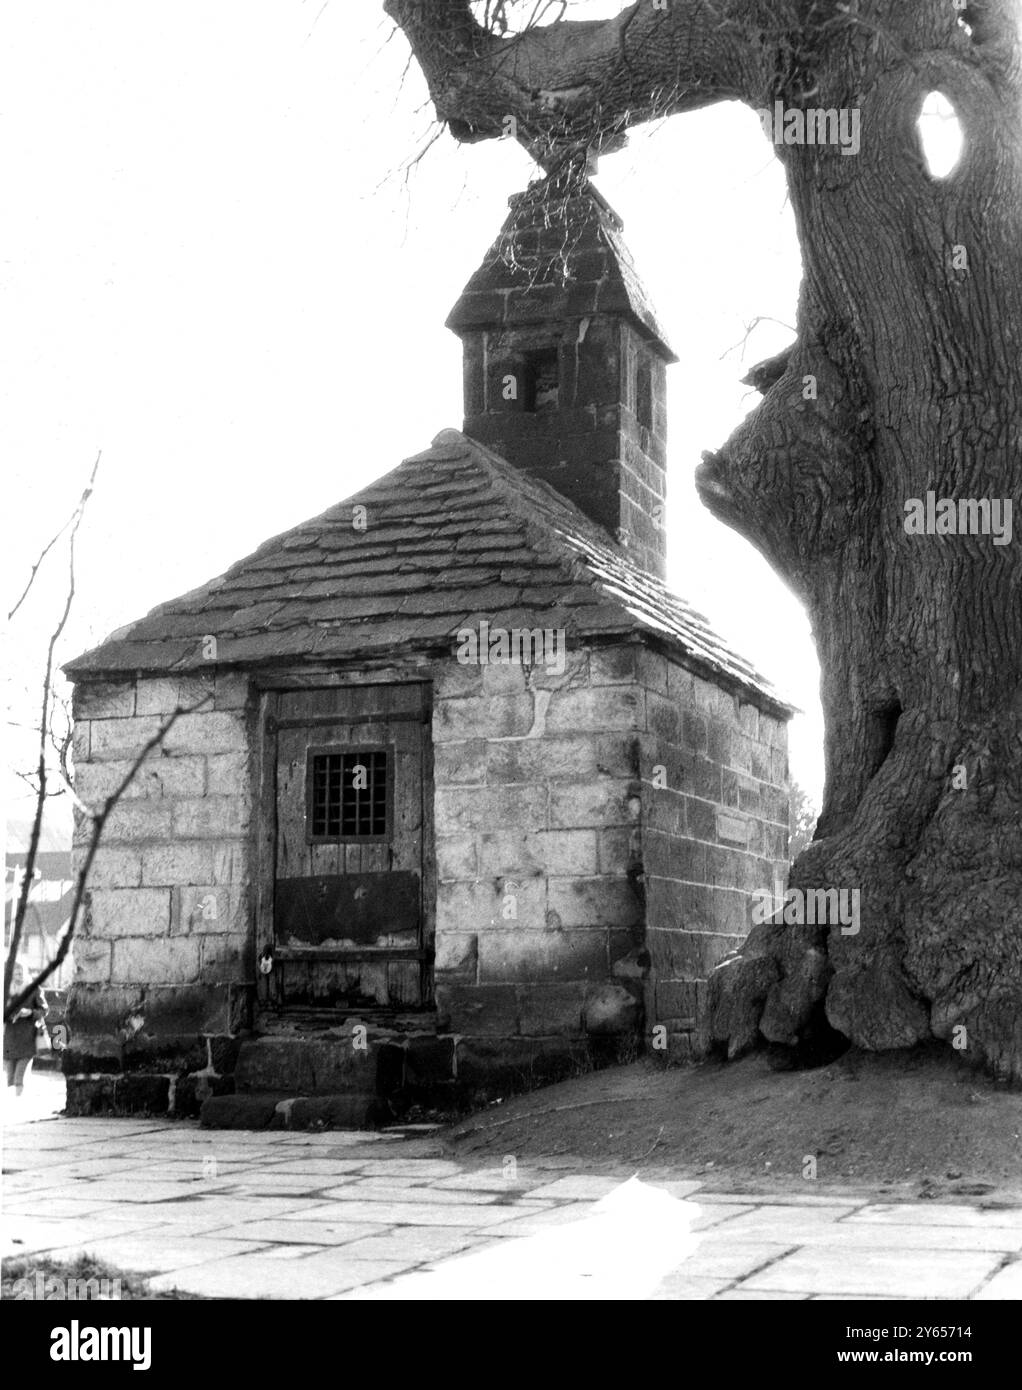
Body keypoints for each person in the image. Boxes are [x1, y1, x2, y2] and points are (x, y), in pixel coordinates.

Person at [4, 962, 48, 1097]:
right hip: (10, 1039)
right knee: (10, 1079)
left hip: (28, 1038)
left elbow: (44, 1010)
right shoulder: (6, 990)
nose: (19, 976)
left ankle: (18, 1102)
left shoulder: (34, 989)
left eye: (21, 973)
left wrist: (30, 1012)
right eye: (16, 973)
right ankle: (16, 1100)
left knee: (19, 1077)